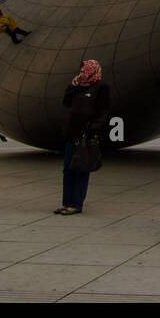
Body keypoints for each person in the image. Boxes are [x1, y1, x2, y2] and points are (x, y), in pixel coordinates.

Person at [55, 60, 111, 215]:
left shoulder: (101, 87)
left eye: (84, 71)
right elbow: (66, 103)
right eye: (80, 71)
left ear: (92, 72)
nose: (81, 74)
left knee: (81, 169)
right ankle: (66, 202)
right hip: (71, 133)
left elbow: (103, 111)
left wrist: (93, 129)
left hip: (86, 135)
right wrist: (72, 87)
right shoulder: (77, 86)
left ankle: (76, 204)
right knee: (68, 169)